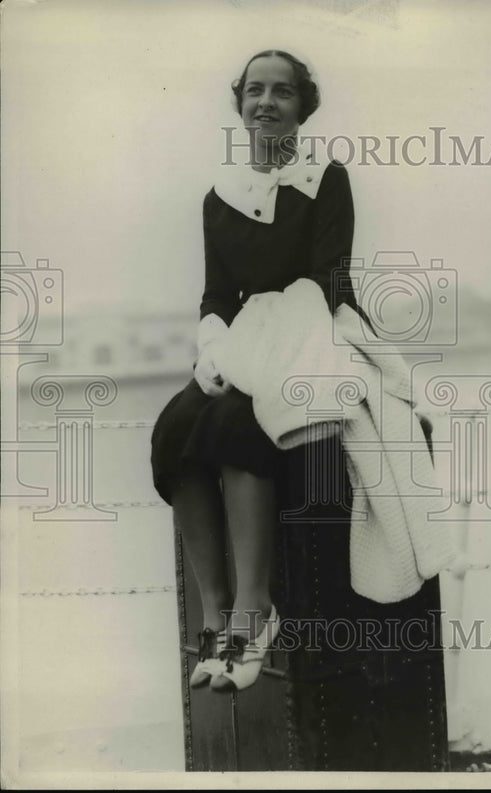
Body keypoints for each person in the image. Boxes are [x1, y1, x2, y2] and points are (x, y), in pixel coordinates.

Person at [150, 50, 360, 692]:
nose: (266, 102)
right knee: (175, 431)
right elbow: (217, 294)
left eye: (283, 92)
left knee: (239, 426)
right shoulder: (220, 197)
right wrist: (214, 346)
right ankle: (215, 615)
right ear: (240, 103)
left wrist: (268, 344)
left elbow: (331, 278)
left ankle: (254, 609)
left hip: (310, 332)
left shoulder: (325, 179)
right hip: (243, 340)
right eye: (255, 91)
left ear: (303, 108)